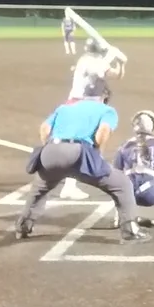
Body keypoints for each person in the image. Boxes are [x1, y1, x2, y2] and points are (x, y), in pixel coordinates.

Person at [15, 78, 148, 243]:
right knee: (122, 184)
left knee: (39, 188)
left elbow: (44, 128)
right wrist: (96, 154)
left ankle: (23, 227)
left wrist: (53, 150)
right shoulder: (107, 110)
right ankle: (130, 231)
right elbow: (102, 133)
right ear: (104, 95)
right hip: (78, 154)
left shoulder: (65, 108)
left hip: (49, 152)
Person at [59, 38, 125, 199]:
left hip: (89, 105)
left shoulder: (96, 61)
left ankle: (88, 170)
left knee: (89, 140)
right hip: (80, 103)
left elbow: (116, 75)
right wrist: (112, 55)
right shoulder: (88, 62)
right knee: (81, 142)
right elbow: (99, 71)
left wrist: (122, 63)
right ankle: (69, 185)